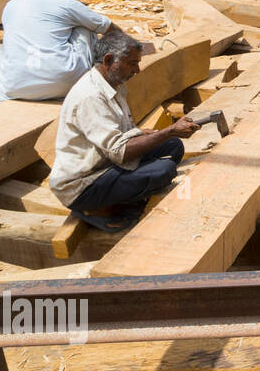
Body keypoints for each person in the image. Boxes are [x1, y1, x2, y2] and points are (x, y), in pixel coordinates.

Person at [48, 31, 199, 232]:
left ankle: (122, 195)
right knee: (164, 170)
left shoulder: (113, 83)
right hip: (83, 184)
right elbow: (119, 151)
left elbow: (121, 134)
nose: (137, 70)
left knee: (173, 146)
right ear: (109, 60)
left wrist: (151, 134)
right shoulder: (90, 96)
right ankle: (105, 210)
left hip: (105, 162)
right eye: (132, 64)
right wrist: (169, 130)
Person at [0, 0, 124, 103]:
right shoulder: (66, 3)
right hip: (67, 84)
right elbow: (108, 27)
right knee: (84, 26)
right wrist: (129, 47)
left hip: (16, 87)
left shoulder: (9, 6)